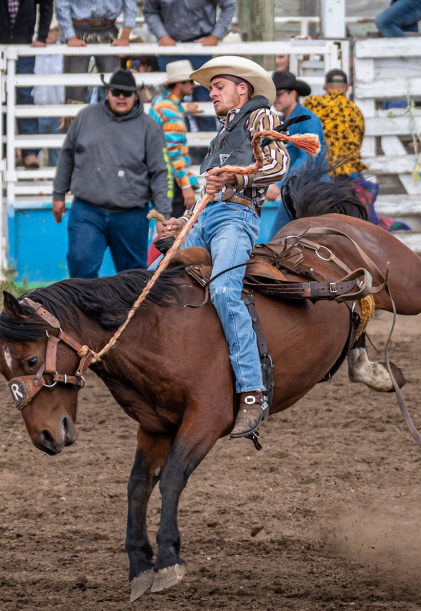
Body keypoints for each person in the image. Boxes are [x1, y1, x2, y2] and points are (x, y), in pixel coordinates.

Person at [161, 56, 289, 438]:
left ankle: (252, 391)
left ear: (242, 89)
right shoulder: (223, 134)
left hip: (237, 218)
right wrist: (183, 222)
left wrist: (234, 179)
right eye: (211, 88)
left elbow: (278, 164)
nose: (212, 93)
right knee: (154, 281)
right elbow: (207, 193)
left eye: (219, 87)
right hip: (206, 220)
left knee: (223, 289)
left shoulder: (261, 116)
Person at [52, 69, 172, 279]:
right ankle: (86, 303)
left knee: (133, 276)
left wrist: (162, 215)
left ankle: (129, 303)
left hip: (132, 213)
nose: (121, 97)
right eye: (116, 92)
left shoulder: (150, 128)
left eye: (127, 93)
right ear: (107, 92)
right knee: (80, 263)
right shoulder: (85, 116)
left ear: (136, 95)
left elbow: (160, 173)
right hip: (87, 209)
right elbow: (67, 155)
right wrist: (58, 194)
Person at [0, 0, 52, 168]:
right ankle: (2, 151)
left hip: (22, 45)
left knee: (24, 96)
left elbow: (47, 4)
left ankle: (29, 152)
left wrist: (41, 37)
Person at [302, 69, 381, 225]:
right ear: (347, 88)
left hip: (319, 176)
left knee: (319, 223)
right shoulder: (355, 111)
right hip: (347, 179)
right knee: (347, 225)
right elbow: (358, 143)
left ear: (326, 87)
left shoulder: (313, 104)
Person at [144, 0, 236, 133]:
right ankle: (177, 139)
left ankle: (207, 142)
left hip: (200, 46)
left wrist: (215, 36)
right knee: (172, 98)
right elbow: (150, 10)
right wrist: (162, 35)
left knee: (205, 97)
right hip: (170, 45)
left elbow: (228, 4)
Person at [266, 70, 326, 237]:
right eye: (273, 95)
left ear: (293, 94)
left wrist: (280, 185)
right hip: (296, 191)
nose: (275, 99)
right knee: (280, 239)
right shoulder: (288, 122)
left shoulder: (306, 120)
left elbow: (308, 157)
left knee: (280, 238)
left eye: (279, 94)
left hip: (311, 192)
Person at [148, 60, 200, 220]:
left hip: (160, 176)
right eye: (190, 81)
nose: (193, 85)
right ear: (179, 83)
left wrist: (185, 109)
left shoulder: (161, 102)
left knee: (163, 226)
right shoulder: (170, 110)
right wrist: (185, 185)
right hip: (171, 180)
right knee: (171, 228)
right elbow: (173, 152)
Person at [55, 0, 135, 105]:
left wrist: (125, 37)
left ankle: (113, 114)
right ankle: (75, 115)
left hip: (108, 30)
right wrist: (70, 36)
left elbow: (130, 3)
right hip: (77, 30)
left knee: (113, 85)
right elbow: (62, 4)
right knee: (74, 91)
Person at [31, 19, 64, 167]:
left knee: (57, 158)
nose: (46, 34)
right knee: (30, 155)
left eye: (49, 30)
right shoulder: (32, 52)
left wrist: (67, 111)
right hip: (34, 112)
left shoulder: (65, 53)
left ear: (57, 31)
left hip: (58, 113)